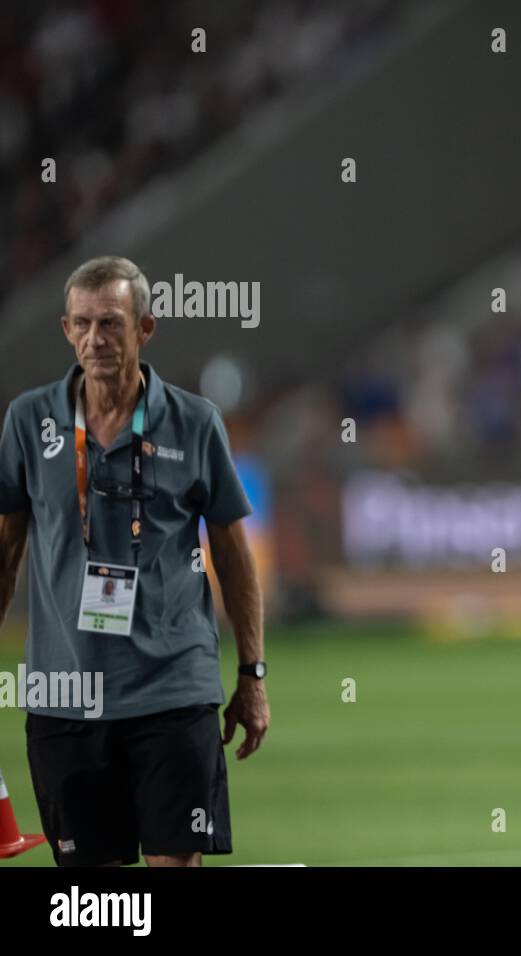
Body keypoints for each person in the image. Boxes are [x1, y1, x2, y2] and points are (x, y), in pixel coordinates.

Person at [0, 256, 269, 867]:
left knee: (175, 865)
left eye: (112, 323)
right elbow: (5, 551)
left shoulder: (196, 423)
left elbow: (232, 554)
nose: (96, 339)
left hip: (174, 690)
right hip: (64, 695)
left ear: (145, 328)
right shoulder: (28, 422)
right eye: (83, 324)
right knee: (98, 899)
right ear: (66, 330)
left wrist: (252, 675)